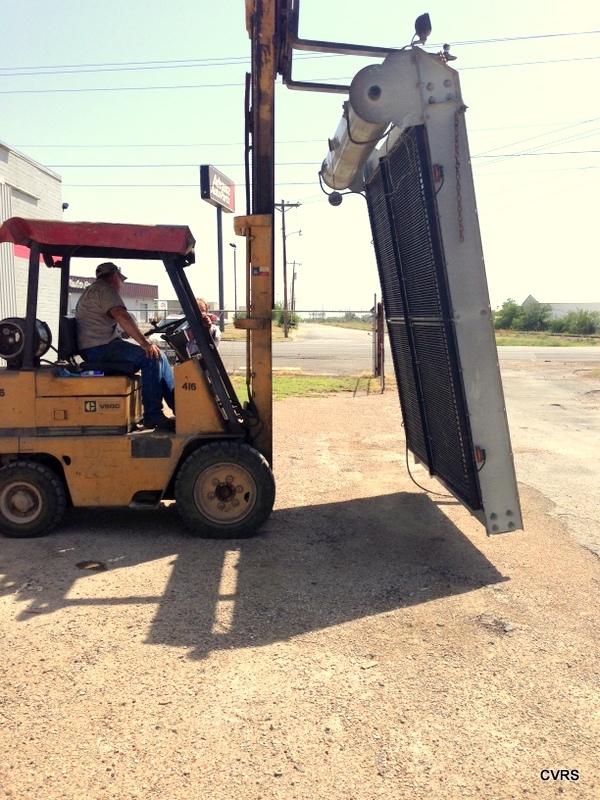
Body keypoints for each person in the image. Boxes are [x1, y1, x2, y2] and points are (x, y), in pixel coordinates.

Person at [75, 262, 176, 430]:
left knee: (159, 355)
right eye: (120, 280)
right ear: (114, 277)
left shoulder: (91, 291)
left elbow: (112, 320)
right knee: (150, 356)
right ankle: (153, 415)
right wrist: (144, 343)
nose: (121, 285)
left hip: (96, 346)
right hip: (100, 348)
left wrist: (133, 335)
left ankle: (179, 407)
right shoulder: (107, 290)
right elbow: (120, 314)